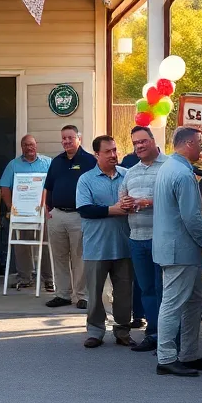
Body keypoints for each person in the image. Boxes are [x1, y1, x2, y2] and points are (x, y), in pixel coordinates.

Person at [152, 127, 202, 376]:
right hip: (180, 249)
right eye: (200, 143)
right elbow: (191, 217)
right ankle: (167, 357)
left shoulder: (169, 168)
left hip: (177, 248)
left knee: (192, 303)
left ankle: (188, 354)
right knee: (173, 303)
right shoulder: (181, 173)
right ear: (189, 143)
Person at [76, 135, 134, 347]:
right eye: (108, 151)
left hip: (124, 244)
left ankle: (122, 331)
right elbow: (84, 209)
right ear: (96, 155)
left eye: (115, 150)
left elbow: (137, 200)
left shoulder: (127, 176)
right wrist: (114, 209)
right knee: (95, 292)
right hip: (97, 246)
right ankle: (95, 331)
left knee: (124, 292)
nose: (113, 155)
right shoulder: (86, 180)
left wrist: (132, 203)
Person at [120, 126, 167, 352]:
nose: (138, 146)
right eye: (135, 143)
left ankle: (166, 337)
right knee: (147, 289)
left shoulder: (168, 167)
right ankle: (152, 334)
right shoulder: (131, 172)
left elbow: (174, 200)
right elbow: (122, 199)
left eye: (142, 142)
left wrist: (148, 202)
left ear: (152, 141)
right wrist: (126, 204)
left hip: (161, 238)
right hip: (137, 238)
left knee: (162, 289)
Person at [41, 124, 97, 309]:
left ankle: (81, 295)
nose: (66, 141)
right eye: (63, 138)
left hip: (79, 216)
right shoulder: (56, 161)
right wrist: (48, 210)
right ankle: (62, 294)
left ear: (78, 138)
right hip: (57, 216)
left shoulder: (89, 161)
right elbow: (48, 187)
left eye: (70, 138)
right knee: (59, 257)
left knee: (80, 257)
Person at [0, 134, 53, 291]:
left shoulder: (48, 163)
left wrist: (50, 206)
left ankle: (49, 278)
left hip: (43, 210)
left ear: (36, 145)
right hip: (21, 211)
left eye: (31, 144)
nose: (29, 147)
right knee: (21, 244)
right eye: (25, 145)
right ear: (21, 147)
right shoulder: (13, 165)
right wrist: (11, 207)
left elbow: (54, 185)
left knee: (46, 244)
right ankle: (25, 277)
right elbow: (4, 188)